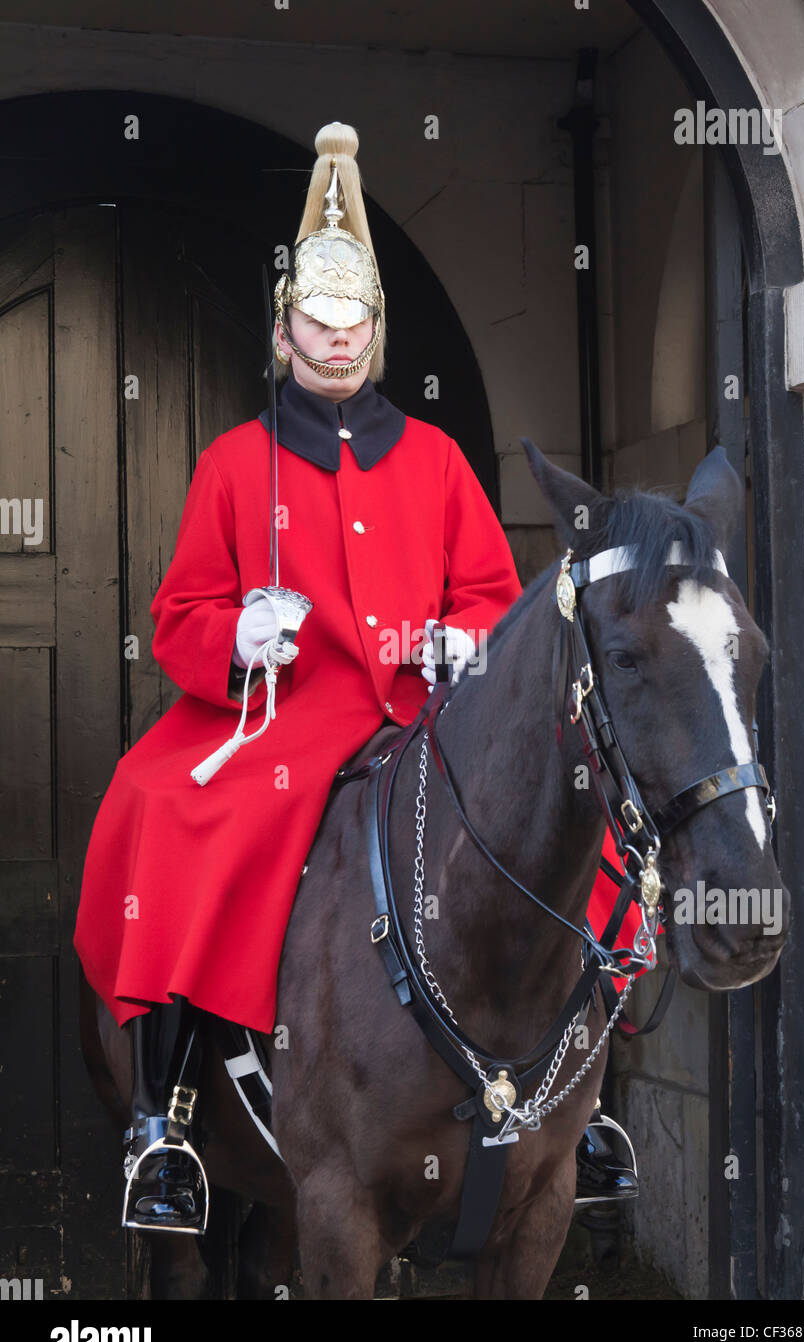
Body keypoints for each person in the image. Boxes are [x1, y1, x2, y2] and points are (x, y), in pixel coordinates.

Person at [73, 121, 638, 1233]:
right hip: (283, 719)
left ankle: (589, 1098)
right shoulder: (233, 462)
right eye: (313, 326)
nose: (333, 345)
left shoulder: (430, 457)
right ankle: (166, 1117)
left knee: (595, 824)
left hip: (426, 717)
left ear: (376, 335)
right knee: (162, 807)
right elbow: (178, 614)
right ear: (282, 333)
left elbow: (489, 595)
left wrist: (454, 642)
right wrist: (242, 635)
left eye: (352, 327)